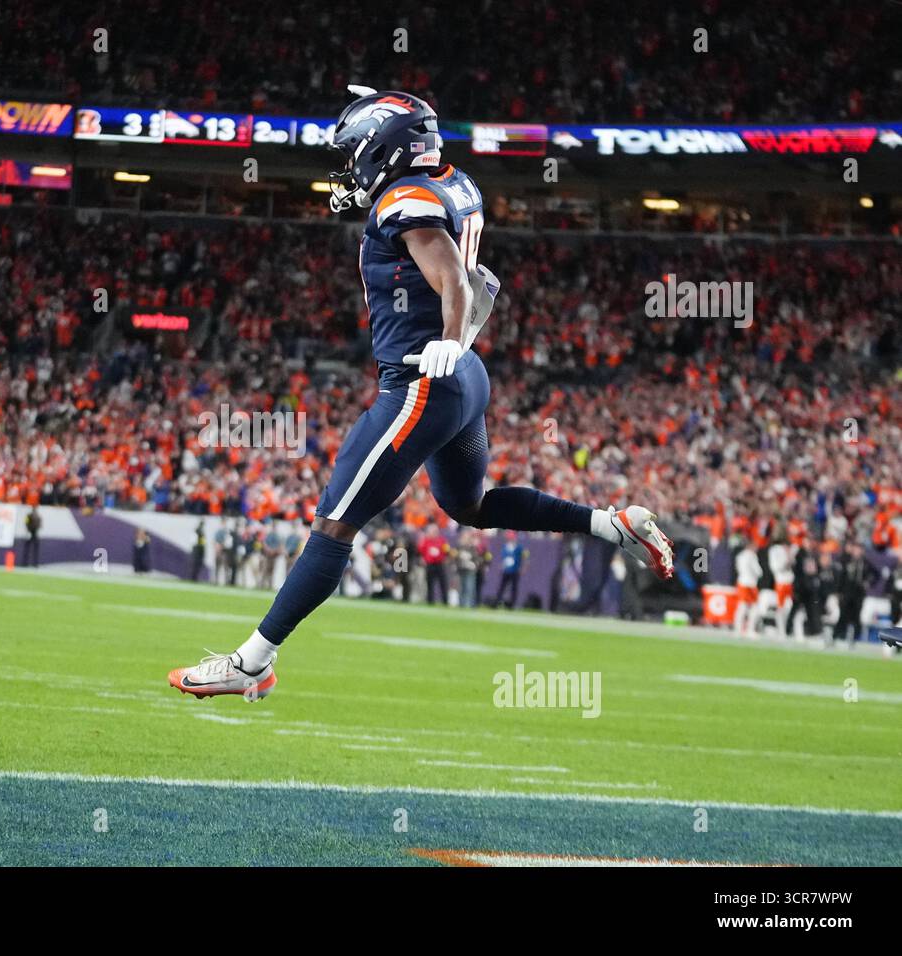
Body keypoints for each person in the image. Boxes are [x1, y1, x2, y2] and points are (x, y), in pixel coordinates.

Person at [168, 87, 674, 699]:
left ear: (387, 150)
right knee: (470, 507)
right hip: (464, 383)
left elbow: (454, 278)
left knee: (333, 527)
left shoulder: (406, 199)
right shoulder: (451, 179)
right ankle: (608, 523)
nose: (352, 165)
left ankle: (252, 661)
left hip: (422, 383)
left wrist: (451, 337)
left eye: (358, 151)